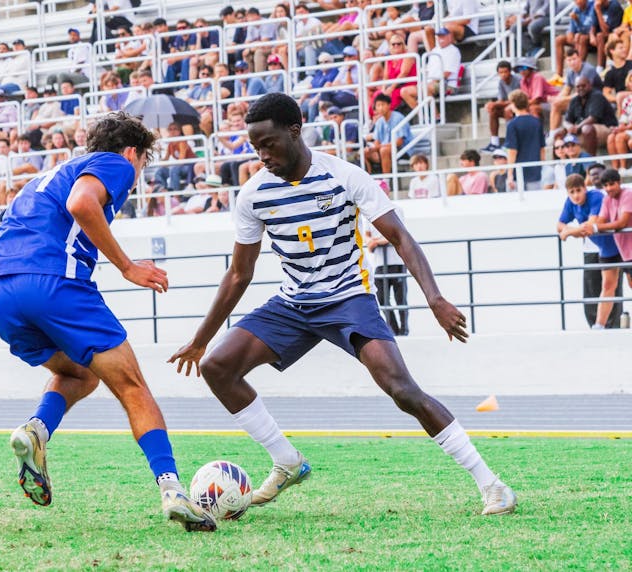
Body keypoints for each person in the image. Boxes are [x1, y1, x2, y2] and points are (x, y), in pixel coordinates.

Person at [168, 93, 517, 516]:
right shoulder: (253, 195)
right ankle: (288, 461)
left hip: (348, 298)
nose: (262, 155)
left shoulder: (343, 176)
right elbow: (240, 273)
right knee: (216, 367)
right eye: (255, 147)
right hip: (293, 304)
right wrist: (200, 340)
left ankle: (493, 485)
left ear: (295, 130)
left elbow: (400, 238)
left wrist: (435, 298)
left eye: (269, 144)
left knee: (402, 390)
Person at [0, 112, 215, 532]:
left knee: (81, 375)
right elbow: (82, 203)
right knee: (132, 385)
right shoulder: (115, 163)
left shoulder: (44, 178)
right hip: (52, 282)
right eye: (142, 164)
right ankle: (173, 489)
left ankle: (37, 429)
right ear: (132, 152)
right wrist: (126, 266)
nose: (136, 176)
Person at [558, 173, 624, 329]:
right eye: (572, 192)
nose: (576, 195)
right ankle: (599, 326)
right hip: (605, 249)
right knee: (607, 286)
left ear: (585, 189)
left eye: (578, 190)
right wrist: (570, 230)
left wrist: (568, 232)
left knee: (623, 283)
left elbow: (591, 225)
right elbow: (559, 225)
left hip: (620, 244)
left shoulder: (595, 196)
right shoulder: (570, 202)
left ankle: (612, 324)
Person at [367, 180, 409, 335]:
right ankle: (394, 330)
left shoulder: (396, 210)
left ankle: (404, 330)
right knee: (382, 299)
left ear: (387, 192)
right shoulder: (369, 211)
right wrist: (370, 242)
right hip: (379, 262)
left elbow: (398, 235)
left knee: (400, 300)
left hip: (396, 261)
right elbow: (367, 234)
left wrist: (376, 242)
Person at [584, 168, 632, 287]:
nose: (609, 188)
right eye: (605, 185)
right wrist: (594, 226)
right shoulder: (607, 199)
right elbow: (601, 220)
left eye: (611, 184)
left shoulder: (628, 194)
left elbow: (622, 223)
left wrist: (595, 227)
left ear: (619, 182)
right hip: (625, 251)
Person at [504, 89, 546, 191]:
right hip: (535, 171)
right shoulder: (536, 122)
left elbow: (512, 151)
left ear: (513, 104)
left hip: (518, 173)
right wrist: (541, 167)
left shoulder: (512, 125)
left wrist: (509, 174)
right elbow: (542, 149)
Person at [480, 61, 521, 153]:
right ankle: (494, 142)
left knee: (507, 110)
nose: (503, 75)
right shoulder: (501, 82)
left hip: (520, 106)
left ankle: (510, 140)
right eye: (500, 72)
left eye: (505, 72)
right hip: (510, 106)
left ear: (510, 71)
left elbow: (517, 99)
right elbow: (501, 100)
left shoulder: (518, 80)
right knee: (493, 111)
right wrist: (491, 104)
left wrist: (495, 104)